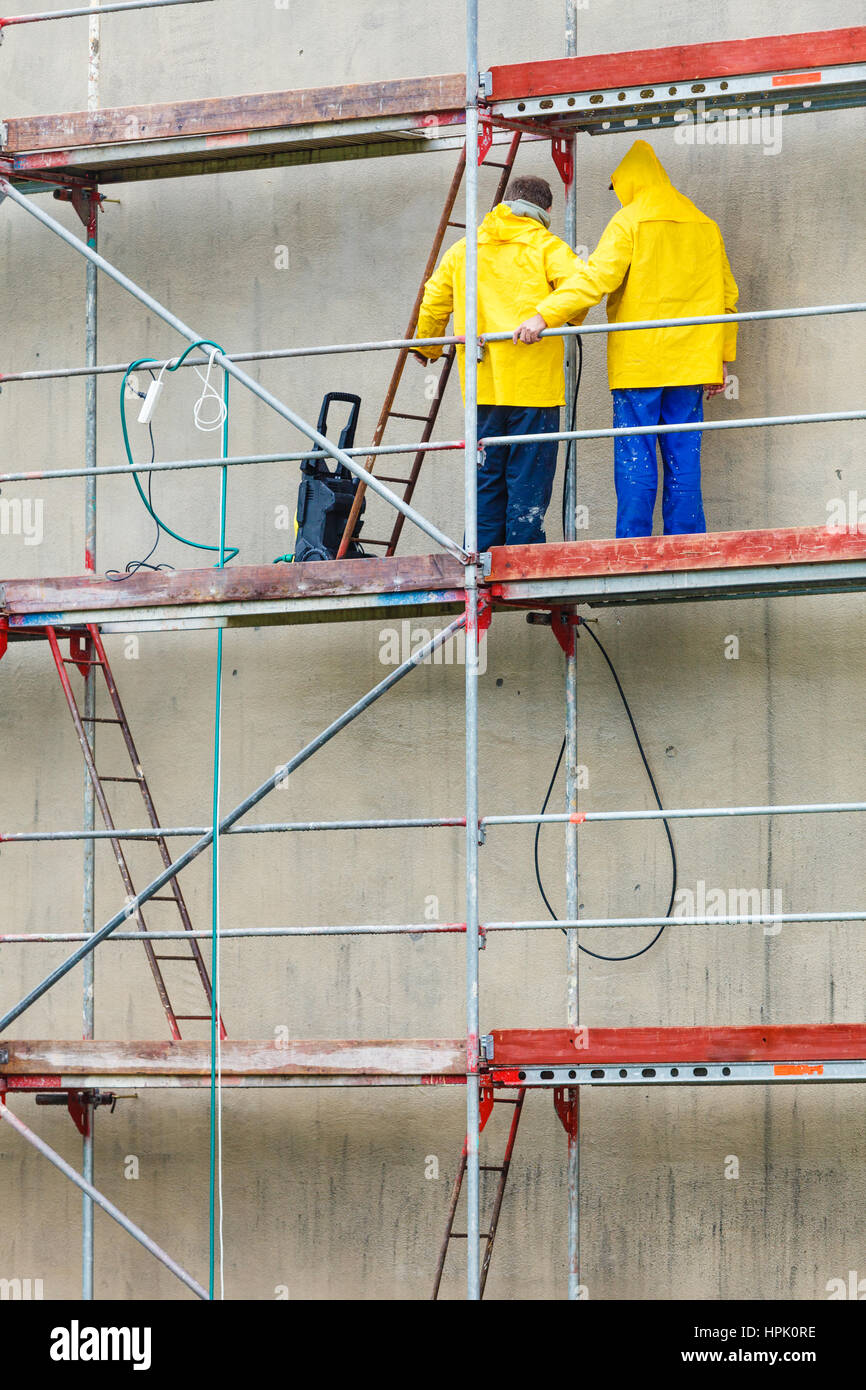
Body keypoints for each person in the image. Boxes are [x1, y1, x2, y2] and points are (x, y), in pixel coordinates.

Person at [515, 140, 739, 538]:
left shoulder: (629, 221)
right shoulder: (704, 222)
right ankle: (686, 542)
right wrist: (719, 358)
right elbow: (727, 298)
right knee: (683, 455)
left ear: (629, 183)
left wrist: (545, 314)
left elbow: (595, 279)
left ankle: (633, 544)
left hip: (640, 363)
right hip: (691, 364)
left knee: (636, 455)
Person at [413, 175, 585, 549]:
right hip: (534, 391)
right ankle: (521, 564)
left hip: (483, 389)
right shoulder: (546, 246)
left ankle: (479, 561)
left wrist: (426, 347)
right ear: (547, 210)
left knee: (486, 478)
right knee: (528, 482)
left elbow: (435, 299)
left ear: (506, 202)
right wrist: (548, 316)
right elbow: (581, 289)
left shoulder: (464, 248)